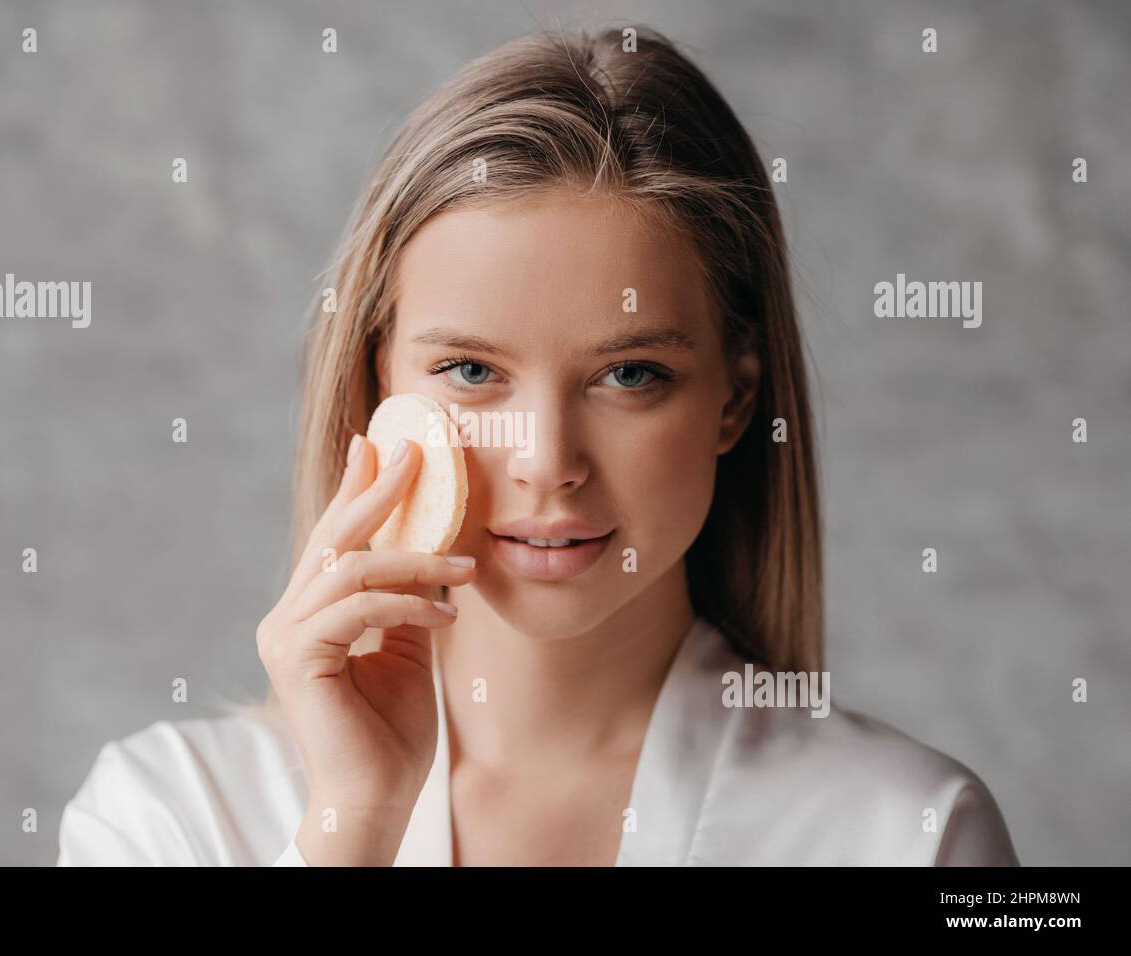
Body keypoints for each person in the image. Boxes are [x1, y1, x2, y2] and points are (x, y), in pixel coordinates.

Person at [57, 25, 1017, 867]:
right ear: (374, 389)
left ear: (737, 398)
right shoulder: (166, 816)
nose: (546, 460)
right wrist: (351, 828)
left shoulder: (910, 837)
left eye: (631, 373)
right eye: (472, 372)